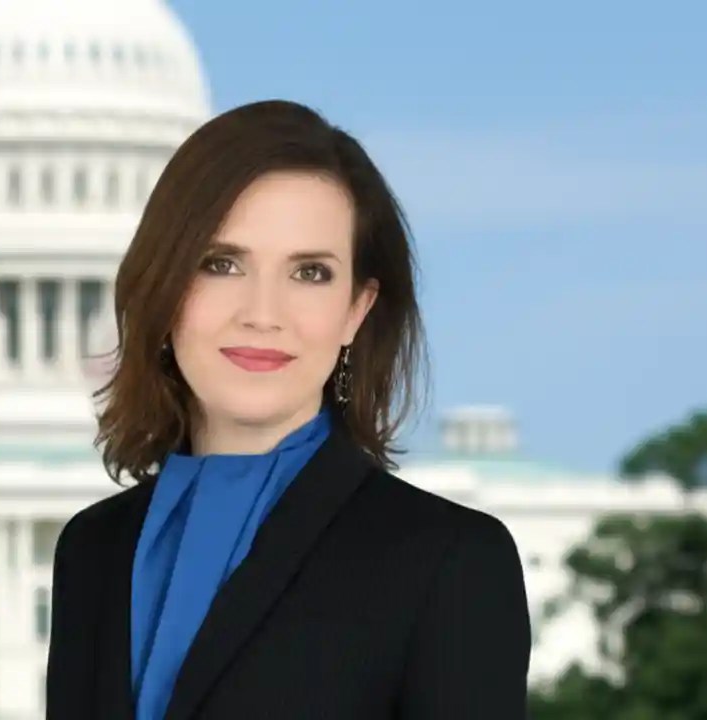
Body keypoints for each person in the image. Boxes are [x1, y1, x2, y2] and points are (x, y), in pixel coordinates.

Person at [45, 99, 531, 719]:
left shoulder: (451, 562)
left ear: (357, 308)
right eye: (221, 264)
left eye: (310, 273)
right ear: (164, 288)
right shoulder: (92, 550)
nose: (262, 313)